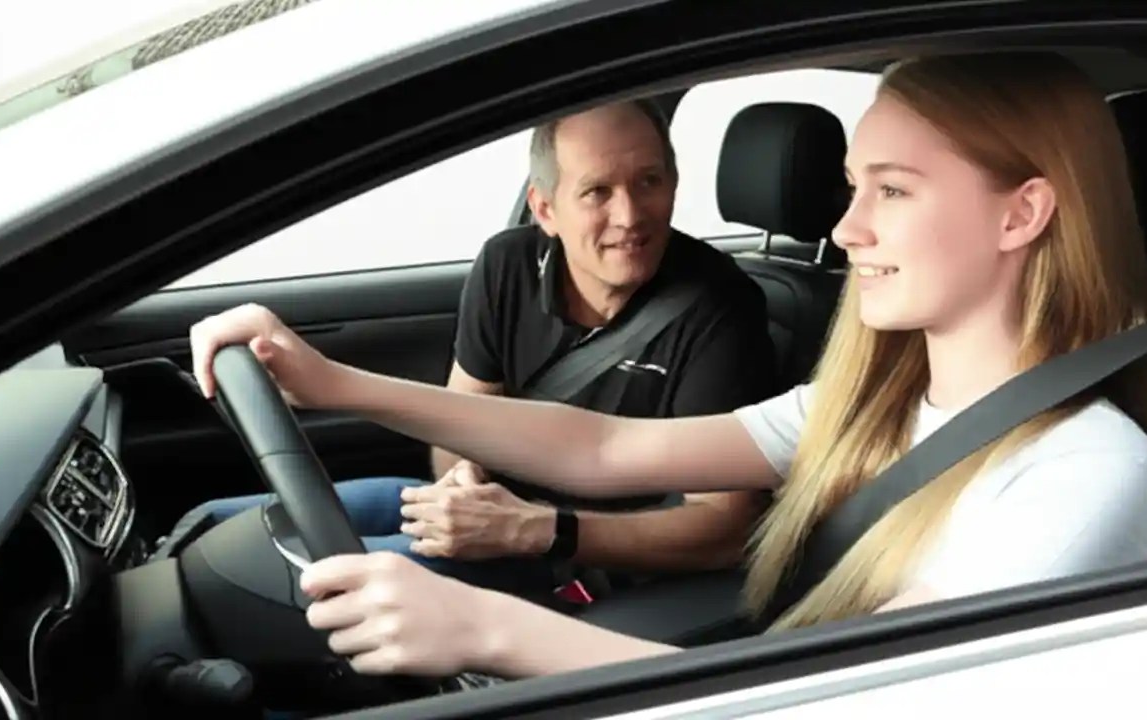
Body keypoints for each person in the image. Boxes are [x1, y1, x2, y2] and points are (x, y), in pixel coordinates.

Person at [187, 52, 1147, 680]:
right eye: (848, 187)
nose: (846, 226)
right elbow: (608, 448)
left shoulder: (1082, 470)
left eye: (892, 191)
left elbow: (851, 709)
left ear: (1021, 214)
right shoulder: (873, 399)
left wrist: (487, 630)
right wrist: (330, 382)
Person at [167, 99, 778, 600]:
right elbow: (461, 418)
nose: (631, 214)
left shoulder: (720, 308)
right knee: (218, 531)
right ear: (545, 208)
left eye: (650, 181)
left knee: (269, 586)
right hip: (499, 518)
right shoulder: (507, 265)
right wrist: (461, 486)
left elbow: (724, 528)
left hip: (590, 562)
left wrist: (534, 531)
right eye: (597, 191)